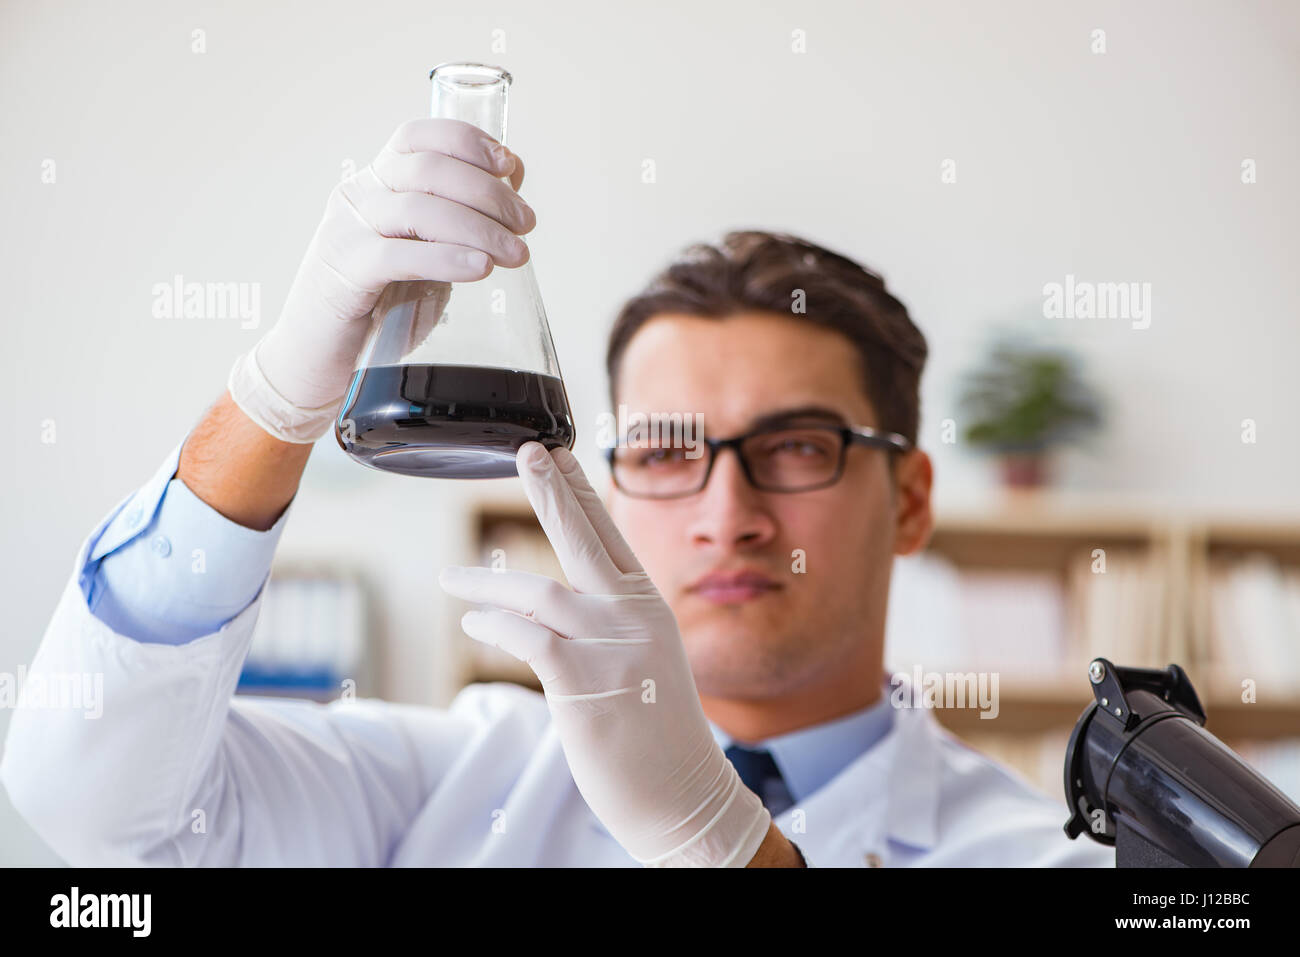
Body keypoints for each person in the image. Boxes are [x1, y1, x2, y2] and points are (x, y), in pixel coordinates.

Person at [0, 117, 1112, 867]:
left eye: (797, 446)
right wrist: (281, 391)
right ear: (615, 485)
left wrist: (722, 840)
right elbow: (92, 803)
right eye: (668, 452)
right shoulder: (452, 777)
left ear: (910, 497)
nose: (727, 512)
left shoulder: (1031, 850)